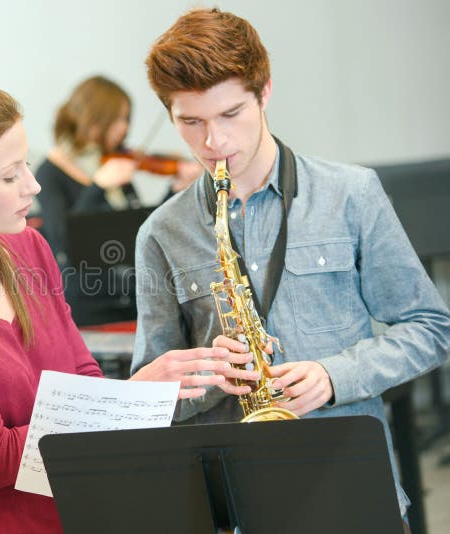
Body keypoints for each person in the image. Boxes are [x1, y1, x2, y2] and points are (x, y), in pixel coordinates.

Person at [0, 84, 256, 533]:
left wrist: (139, 398)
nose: (32, 186)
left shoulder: (30, 248)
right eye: (10, 176)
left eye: (26, 166)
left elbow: (83, 382)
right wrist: (132, 399)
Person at [131, 6, 450, 524]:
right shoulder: (160, 233)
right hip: (233, 499)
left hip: (348, 479)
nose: (213, 144)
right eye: (190, 122)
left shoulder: (351, 193)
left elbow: (431, 327)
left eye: (230, 114)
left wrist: (334, 375)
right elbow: (151, 399)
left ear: (264, 92)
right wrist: (205, 376)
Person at [35, 75, 201, 325]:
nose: (124, 128)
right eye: (117, 119)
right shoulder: (51, 171)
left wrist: (175, 190)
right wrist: (98, 187)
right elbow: (63, 241)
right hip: (88, 308)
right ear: (93, 118)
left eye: (126, 119)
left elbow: (139, 227)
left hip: (133, 300)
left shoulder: (115, 162)